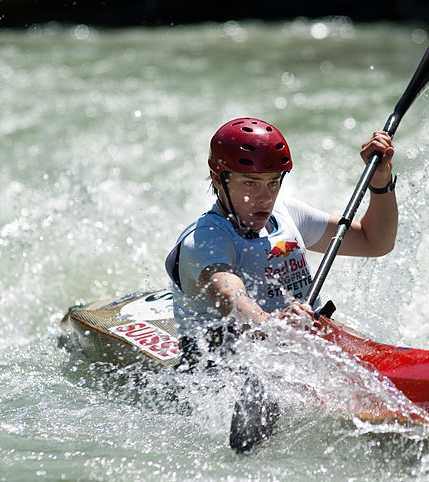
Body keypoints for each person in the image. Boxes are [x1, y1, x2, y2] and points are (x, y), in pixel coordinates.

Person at [165, 117, 397, 367]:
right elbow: (231, 299)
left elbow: (375, 242)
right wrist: (273, 326)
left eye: (273, 182)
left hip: (299, 351)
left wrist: (380, 181)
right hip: (225, 366)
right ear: (218, 179)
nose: (265, 197)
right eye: (251, 183)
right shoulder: (205, 239)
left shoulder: (287, 214)